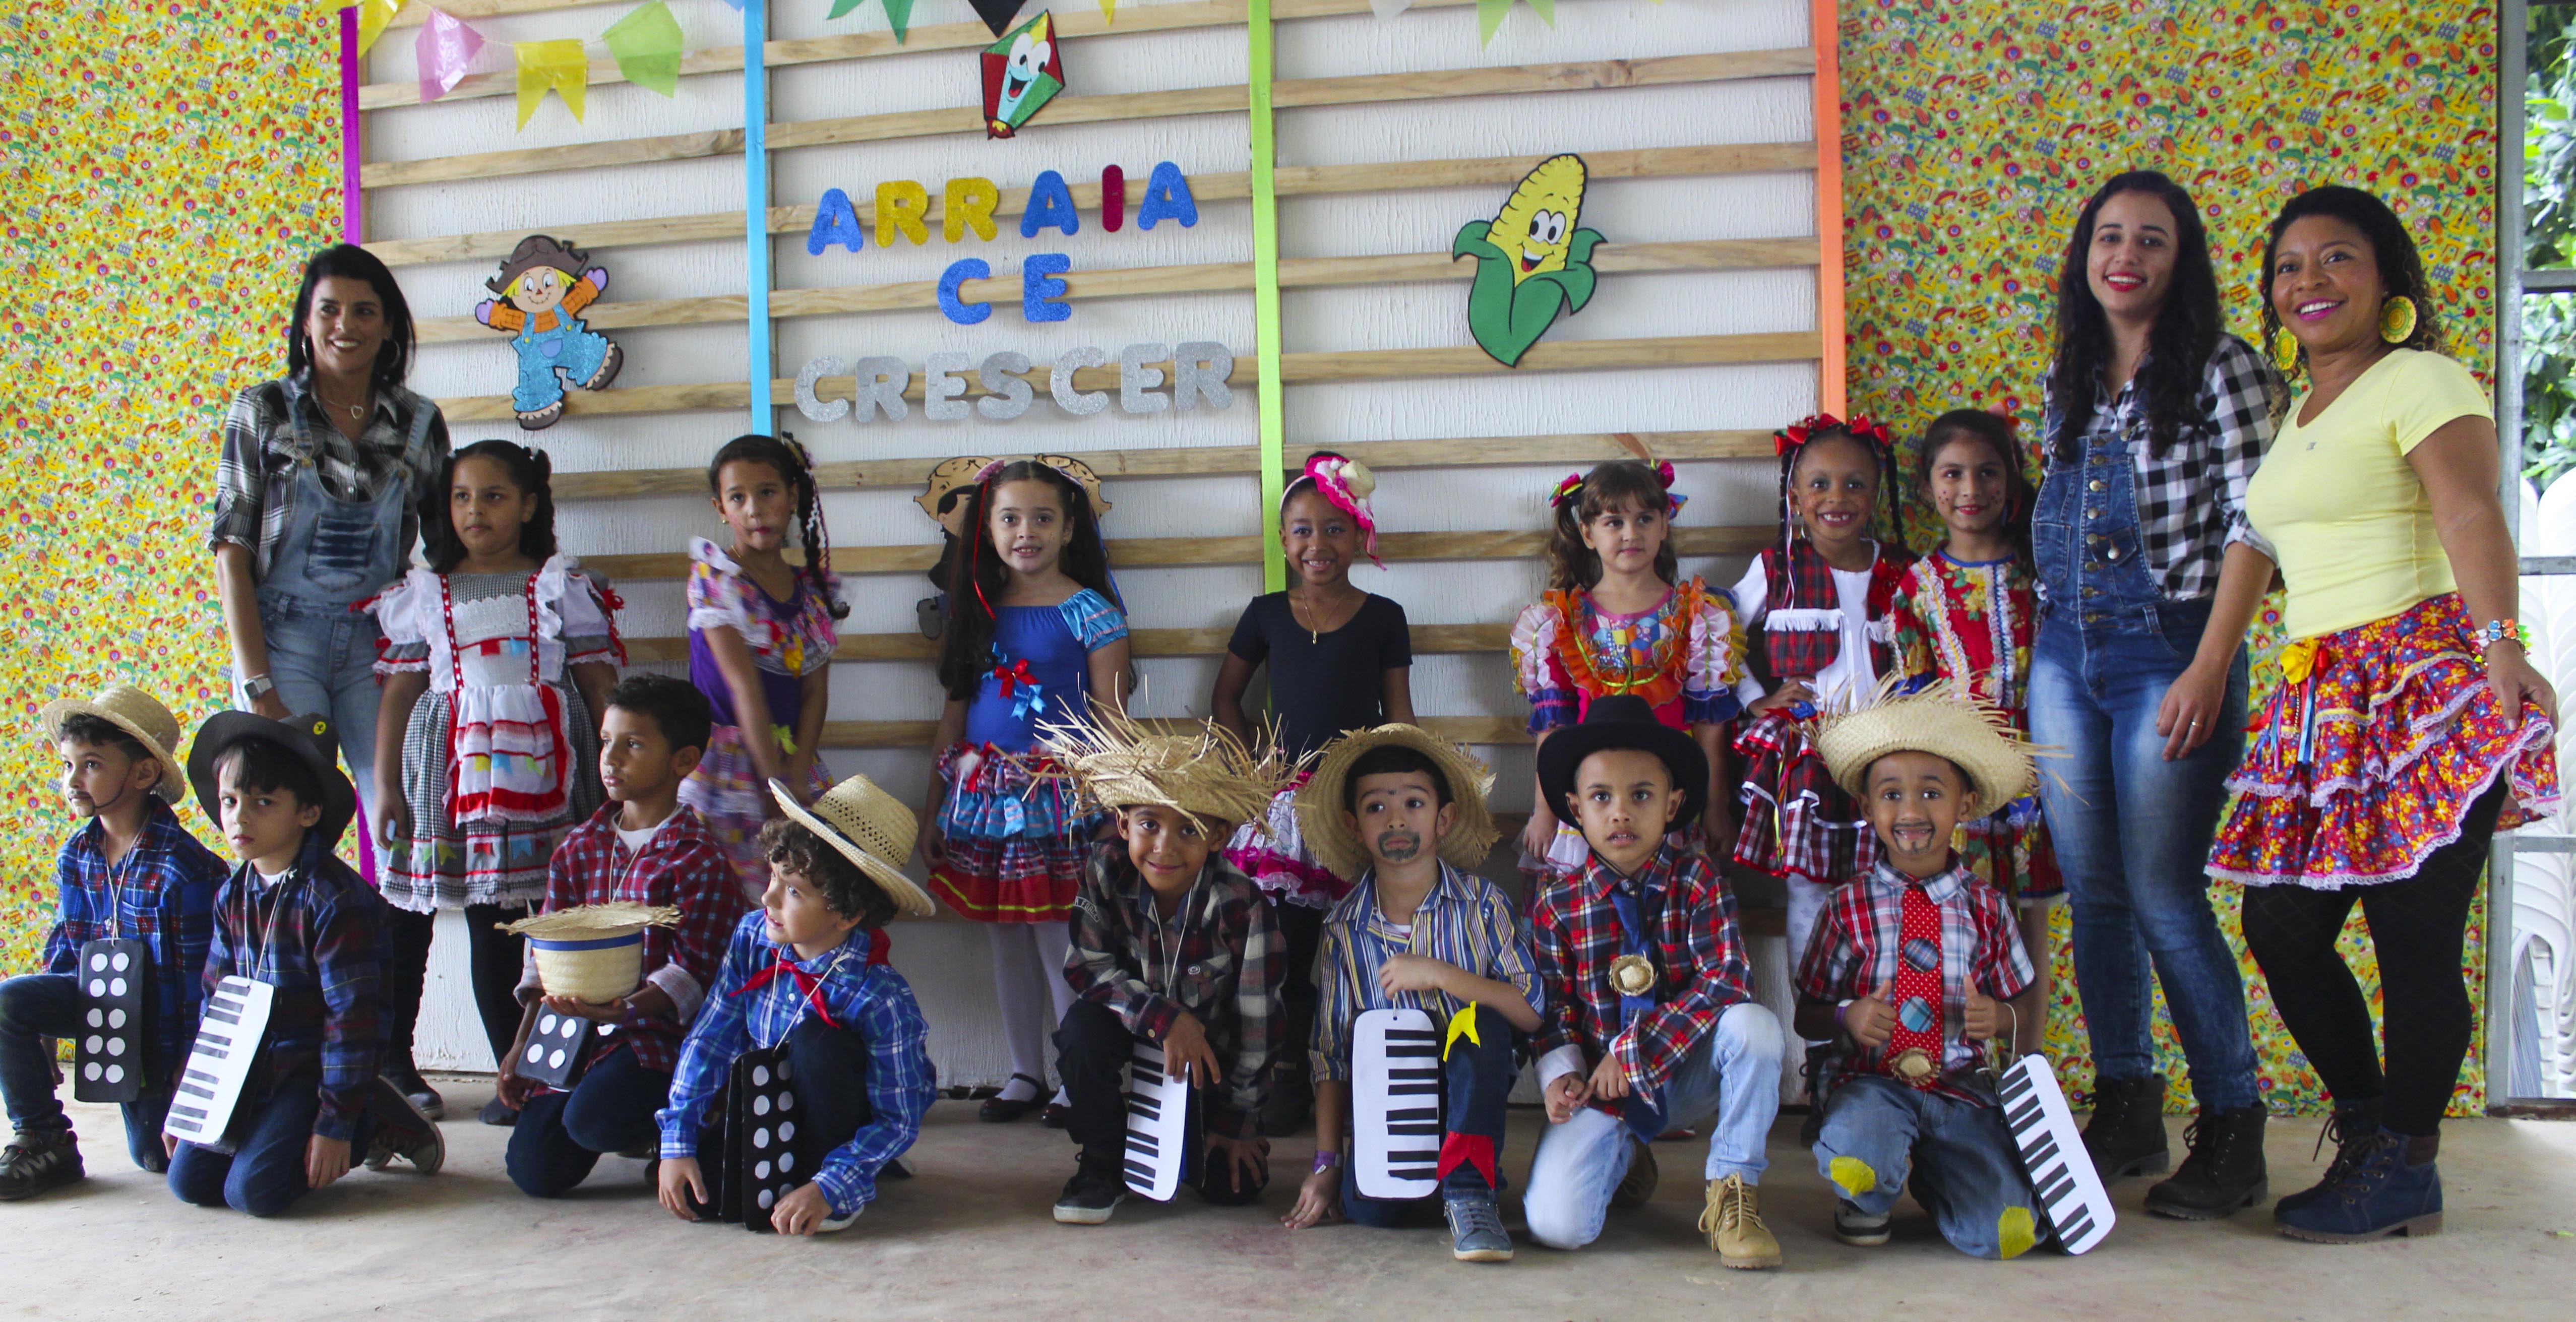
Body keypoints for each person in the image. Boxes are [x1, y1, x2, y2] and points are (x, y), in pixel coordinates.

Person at [2212, 185, 2561, 1243]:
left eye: (2335, 259)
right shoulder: (2296, 415)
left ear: (2385, 279)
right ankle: (2368, 1129)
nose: (2307, 282)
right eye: (2287, 267)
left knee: (2412, 941)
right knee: (2275, 923)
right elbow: (2260, 544)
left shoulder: (2421, 377)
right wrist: (2207, 664)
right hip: (2319, 702)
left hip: (2416, 691)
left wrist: (2503, 643)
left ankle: (2406, 1161)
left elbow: (2464, 508)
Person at [2026, 170, 2282, 1217]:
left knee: (2165, 894)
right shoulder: (2071, 373)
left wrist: (2210, 665)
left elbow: (2256, 524)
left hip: (2170, 652)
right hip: (2062, 653)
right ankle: (2124, 1102)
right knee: (2093, 896)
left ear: (2181, 264)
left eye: (2151, 241)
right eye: (2108, 238)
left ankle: (2231, 1126)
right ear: (2084, 258)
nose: (2124, 255)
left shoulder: (2224, 372)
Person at [367, 439, 621, 1123]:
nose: (474, 510)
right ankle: (512, 1071)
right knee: (490, 924)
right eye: (461, 496)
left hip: (549, 770)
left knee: (555, 923)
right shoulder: (425, 592)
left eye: (494, 495)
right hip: (458, 780)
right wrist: (386, 783)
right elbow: (399, 688)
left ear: (530, 503)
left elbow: (599, 681)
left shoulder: (559, 583)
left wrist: (617, 765)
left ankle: (558, 1068)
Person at [208, 243, 449, 884]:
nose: (347, 325)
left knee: (406, 825)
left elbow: (446, 549)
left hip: (381, 643)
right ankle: (302, 979)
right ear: (306, 322)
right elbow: (230, 552)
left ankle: (391, 980)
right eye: (330, 310)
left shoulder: (419, 423)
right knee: (284, 817)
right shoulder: (260, 410)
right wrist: (257, 684)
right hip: (281, 638)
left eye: (365, 311)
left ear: (390, 325)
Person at [1520, 695, 1785, 1269]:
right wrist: (1561, 1075)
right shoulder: (1556, 902)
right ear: (1574, 808)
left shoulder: (1698, 881)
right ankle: (1625, 1156)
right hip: (1603, 1088)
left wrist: (1634, 1050)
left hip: (1681, 1072)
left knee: (1755, 1028)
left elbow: (1726, 977)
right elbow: (1553, 1005)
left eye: (1640, 795)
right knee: (1555, 1226)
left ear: (1673, 804)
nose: (1620, 813)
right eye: (1601, 798)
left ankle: (1732, 1191)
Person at [1797, 681, 2047, 1258]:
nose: (1910, 811)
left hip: (1961, 1092)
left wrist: (2001, 1016)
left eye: (1931, 793)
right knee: (1860, 1159)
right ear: (1866, 808)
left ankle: (1941, 1175)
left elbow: (2024, 1002)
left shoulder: (1986, 907)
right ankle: (1866, 1193)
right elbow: (1807, 1015)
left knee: (2006, 1234)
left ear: (1963, 805)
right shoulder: (1846, 906)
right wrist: (1846, 1014)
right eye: (1891, 794)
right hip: (1871, 1085)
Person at [918, 457, 1129, 1126]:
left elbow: (1112, 721)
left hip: (1058, 794)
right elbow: (954, 711)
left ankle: (1075, 1074)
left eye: (1043, 517)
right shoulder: (974, 607)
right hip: (982, 795)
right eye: (1009, 517)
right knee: (1004, 932)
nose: (1025, 531)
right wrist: (933, 807)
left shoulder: (1091, 611)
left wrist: (1115, 803)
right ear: (988, 527)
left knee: (1054, 932)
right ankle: (1023, 1071)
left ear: (1070, 529)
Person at [167, 711, 443, 1217]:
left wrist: (333, 1126)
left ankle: (369, 1117)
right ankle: (315, 1118)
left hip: (312, 1071)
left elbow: (355, 1021)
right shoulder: (232, 894)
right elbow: (216, 1007)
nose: (239, 817)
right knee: (189, 1182)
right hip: (254, 1069)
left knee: (253, 1193)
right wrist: (194, 1104)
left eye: (263, 802)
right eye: (230, 801)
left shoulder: (336, 900)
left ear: (309, 813)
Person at [1214, 451, 1416, 1134]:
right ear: (1281, 540)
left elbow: (1398, 716)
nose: (1316, 544)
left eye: (1333, 529)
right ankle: (1287, 1071)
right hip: (1286, 806)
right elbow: (1226, 697)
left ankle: (1356, 1069)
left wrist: (1402, 798)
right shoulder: (1266, 612)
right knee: (1284, 945)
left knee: (1357, 942)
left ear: (1360, 536)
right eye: (1301, 530)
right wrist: (1252, 774)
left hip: (1354, 802)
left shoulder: (1383, 615)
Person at [1277, 725, 1529, 1263]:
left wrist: (1441, 974)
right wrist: (1328, 1164)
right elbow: (1329, 1054)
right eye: (1376, 807)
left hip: (1471, 1090)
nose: (1395, 819)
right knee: (1371, 1211)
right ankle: (1423, 1177)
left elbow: (1530, 1010)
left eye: (1413, 803)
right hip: (1389, 1105)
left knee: (1480, 1025)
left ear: (1444, 818)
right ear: (1354, 824)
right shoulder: (1344, 928)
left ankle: (1469, 1190)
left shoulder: (1484, 906)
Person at [496, 676, 747, 1198]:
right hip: (573, 1034)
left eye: (633, 745)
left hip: (656, 1040)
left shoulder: (697, 858)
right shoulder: (577, 848)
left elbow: (694, 972)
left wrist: (624, 1010)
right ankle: (625, 1115)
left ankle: (692, 1125)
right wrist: (522, 1047)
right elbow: (544, 955)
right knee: (533, 1171)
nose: (611, 758)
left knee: (594, 1121)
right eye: (607, 740)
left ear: (682, 761)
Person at [655, 776, 937, 1236]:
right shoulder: (753, 937)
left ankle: (838, 1178)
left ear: (846, 913)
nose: (767, 897)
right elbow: (712, 1035)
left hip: (841, 1118)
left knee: (819, 1040)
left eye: (793, 890)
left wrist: (830, 1186)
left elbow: (898, 1117)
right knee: (708, 1195)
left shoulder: (881, 996)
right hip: (772, 1113)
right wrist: (678, 1138)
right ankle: (797, 1173)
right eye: (772, 875)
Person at [1040, 710, 1287, 1224]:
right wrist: (1164, 1018)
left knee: (1230, 1187)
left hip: (1207, 1057)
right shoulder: (1105, 868)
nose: (1164, 847)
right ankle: (1102, 1160)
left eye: (1190, 830)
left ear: (1218, 837)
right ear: (1124, 823)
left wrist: (1235, 1119)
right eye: (1149, 824)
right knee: (1080, 1033)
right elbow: (1087, 966)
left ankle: (1198, 1133)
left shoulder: (1242, 904)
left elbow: (1258, 1027)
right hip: (1129, 1027)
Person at [0, 687, 225, 1200]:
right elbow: (67, 942)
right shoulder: (77, 854)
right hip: (100, 1006)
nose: (73, 780)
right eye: (67, 765)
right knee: (10, 1000)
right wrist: (45, 1031)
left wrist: (184, 1072)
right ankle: (43, 1136)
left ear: (144, 775)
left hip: (156, 1032)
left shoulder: (184, 867)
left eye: (92, 765)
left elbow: (201, 986)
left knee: (153, 1158)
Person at [1888, 410, 2061, 1051]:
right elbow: (1914, 691)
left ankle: (2029, 1065)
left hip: (2043, 769)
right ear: (1929, 485)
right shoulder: (1917, 586)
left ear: (2011, 482)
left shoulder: (2043, 573)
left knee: (2031, 927)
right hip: (1963, 775)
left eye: (1988, 473)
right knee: (1967, 921)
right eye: (1952, 474)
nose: (1970, 490)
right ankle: (1964, 1069)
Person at [1730, 412, 1915, 968]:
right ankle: (1816, 1030)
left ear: (1878, 493)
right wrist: (1752, 698)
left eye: (1855, 483)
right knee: (1809, 889)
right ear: (1794, 495)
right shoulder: (1777, 568)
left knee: (1888, 882)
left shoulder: (1902, 572)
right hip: (1809, 750)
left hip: (1888, 750)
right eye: (1819, 484)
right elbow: (1719, 633)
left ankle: (1878, 1031)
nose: (1837, 497)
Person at [1510, 457, 1744, 876]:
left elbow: (1710, 725)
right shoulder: (1559, 622)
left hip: (1667, 803)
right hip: (1590, 808)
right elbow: (1552, 726)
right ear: (1587, 532)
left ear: (1664, 524)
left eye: (1644, 518)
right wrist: (1545, 810)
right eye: (1614, 522)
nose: (1631, 533)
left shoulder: (1698, 619)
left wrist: (1716, 806)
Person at [681, 434, 846, 898]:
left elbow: (815, 691)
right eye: (739, 497)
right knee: (731, 897)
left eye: (768, 492)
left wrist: (796, 771)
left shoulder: (811, 594)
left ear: (792, 498)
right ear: (721, 508)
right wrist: (776, 780)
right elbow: (742, 686)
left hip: (792, 758)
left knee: (801, 894)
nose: (755, 508)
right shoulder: (716, 581)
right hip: (726, 767)